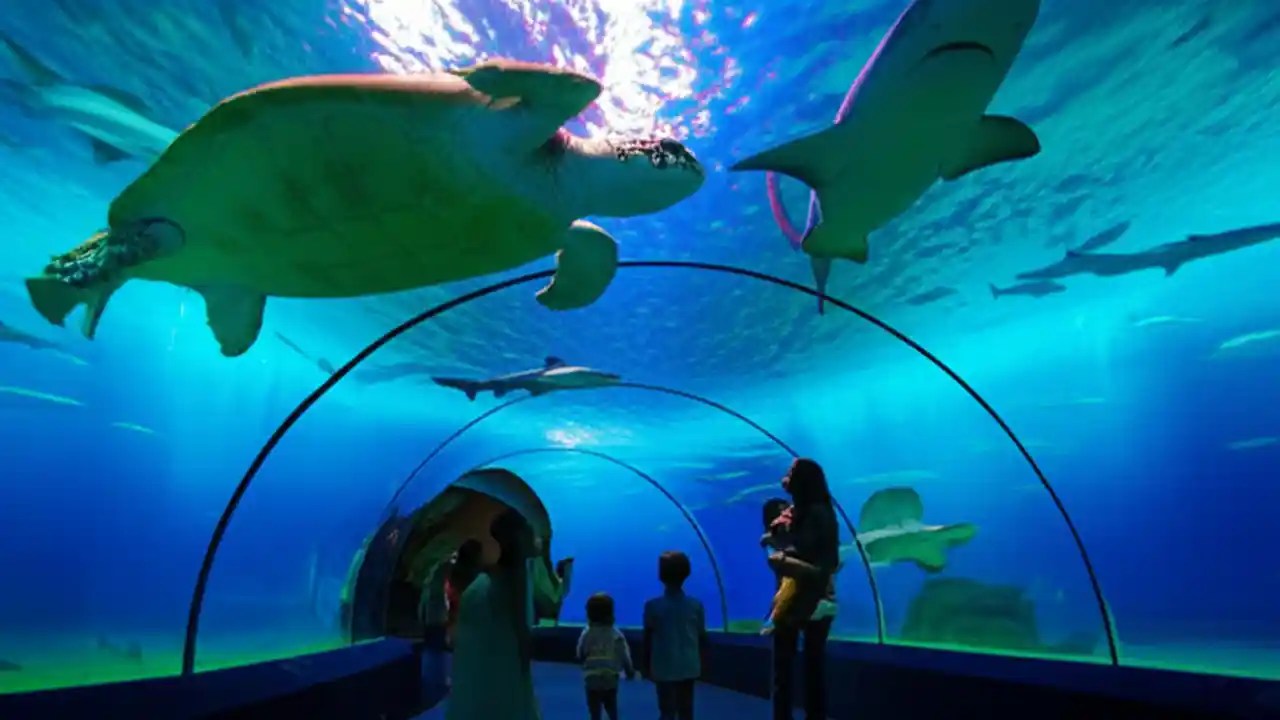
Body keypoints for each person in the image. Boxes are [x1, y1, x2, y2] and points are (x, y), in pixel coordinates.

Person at [446, 509, 541, 720]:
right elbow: (519, 628)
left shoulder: (484, 581)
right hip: (503, 671)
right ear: (517, 536)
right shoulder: (514, 578)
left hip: (479, 676)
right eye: (527, 530)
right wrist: (523, 662)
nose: (534, 536)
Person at [768, 459, 840, 720]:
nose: (786, 476)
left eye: (791, 473)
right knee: (811, 668)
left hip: (809, 591)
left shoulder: (815, 513)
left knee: (787, 668)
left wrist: (783, 545)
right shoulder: (808, 509)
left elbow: (805, 548)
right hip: (812, 592)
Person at [642, 551, 707, 720]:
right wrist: (704, 664)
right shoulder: (695, 605)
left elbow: (647, 638)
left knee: (666, 710)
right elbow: (702, 637)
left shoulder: (652, 606)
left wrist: (644, 664)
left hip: (664, 667)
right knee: (687, 710)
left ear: (661, 575)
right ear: (687, 572)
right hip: (689, 665)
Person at [576, 592, 635, 720]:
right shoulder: (615, 633)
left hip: (591, 677)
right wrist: (630, 671)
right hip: (610, 676)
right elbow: (624, 654)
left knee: (594, 712)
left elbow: (580, 653)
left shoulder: (587, 633)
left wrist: (584, 661)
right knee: (611, 708)